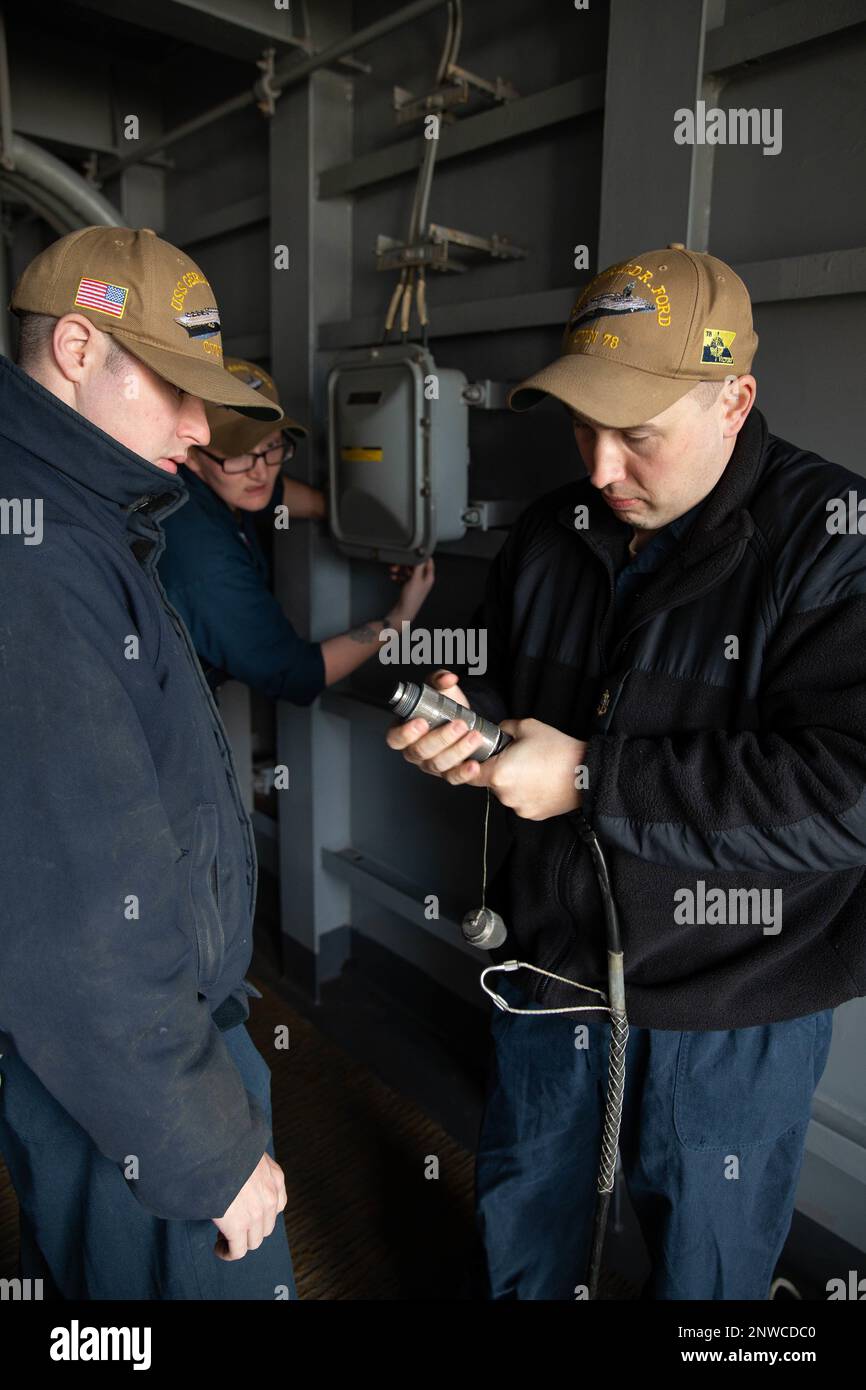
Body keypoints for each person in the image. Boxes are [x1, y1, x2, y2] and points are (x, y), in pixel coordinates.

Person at [386, 243, 866, 1300]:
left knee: (705, 1273)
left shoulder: (834, 544)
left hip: (731, 1013)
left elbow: (849, 791)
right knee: (527, 1229)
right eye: (581, 428)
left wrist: (595, 780)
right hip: (554, 979)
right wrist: (462, 727)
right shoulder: (554, 532)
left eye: (636, 436)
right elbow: (494, 678)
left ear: (734, 400)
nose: (599, 470)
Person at [0, 225, 297, 1299]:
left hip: (118, 1056)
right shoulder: (33, 561)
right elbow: (79, 920)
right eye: (172, 385)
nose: (197, 424)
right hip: (133, 1083)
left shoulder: (80, 513)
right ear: (77, 349)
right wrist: (204, 1152)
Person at [157, 356, 434, 703]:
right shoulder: (203, 559)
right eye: (239, 455)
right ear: (192, 454)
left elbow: (275, 492)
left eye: (272, 446)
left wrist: (365, 526)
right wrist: (399, 620)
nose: (260, 472)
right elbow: (296, 674)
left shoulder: (218, 482)